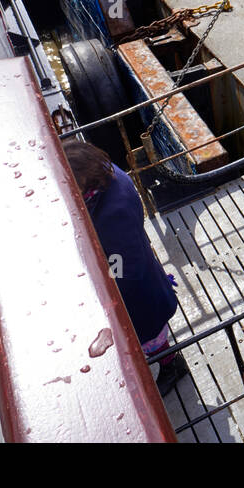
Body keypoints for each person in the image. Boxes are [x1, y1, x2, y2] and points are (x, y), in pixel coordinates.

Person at [63, 141, 184, 395]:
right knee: (153, 333)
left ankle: (173, 365)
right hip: (147, 274)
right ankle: (168, 358)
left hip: (139, 294)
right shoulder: (111, 173)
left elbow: (126, 267)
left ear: (84, 180)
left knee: (152, 337)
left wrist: (107, 289)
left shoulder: (112, 215)